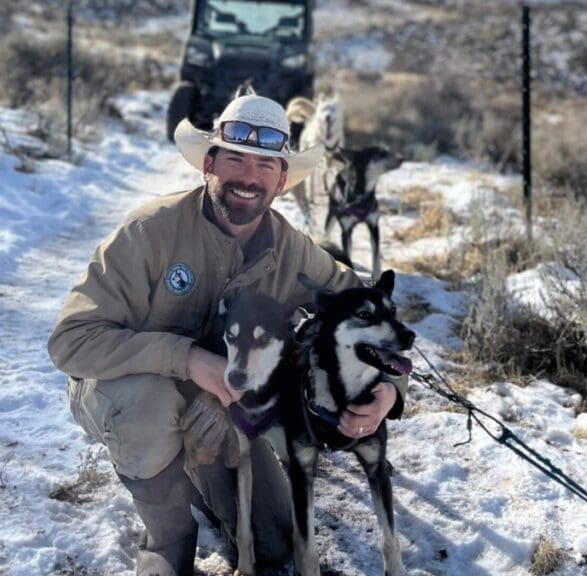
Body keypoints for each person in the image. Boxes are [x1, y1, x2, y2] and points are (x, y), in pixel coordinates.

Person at [47, 95, 406, 576]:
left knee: (275, 545)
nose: (248, 177)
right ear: (208, 164)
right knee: (151, 406)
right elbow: (70, 341)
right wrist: (189, 360)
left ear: (281, 182)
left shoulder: (290, 249)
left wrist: (389, 389)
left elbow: (368, 306)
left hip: (220, 403)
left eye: (265, 165)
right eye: (234, 158)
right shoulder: (149, 231)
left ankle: (195, 470)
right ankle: (167, 545)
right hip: (121, 385)